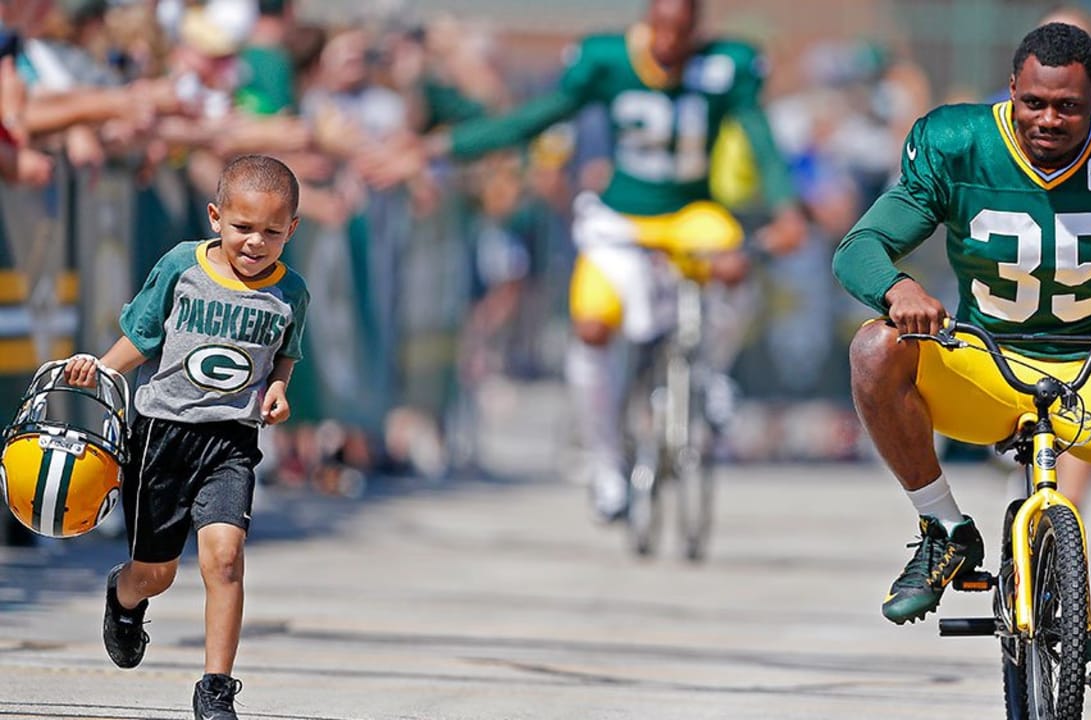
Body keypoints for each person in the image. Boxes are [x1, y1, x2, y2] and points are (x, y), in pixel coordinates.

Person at [833, 23, 1091, 708]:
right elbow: (860, 245)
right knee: (875, 346)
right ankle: (945, 529)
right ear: (1012, 90)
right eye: (1034, 103)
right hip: (982, 363)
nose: (1048, 119)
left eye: (1068, 107)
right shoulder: (957, 143)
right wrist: (899, 290)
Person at [364, 0, 806, 520]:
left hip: (691, 210)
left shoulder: (727, 64)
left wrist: (786, 209)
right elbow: (535, 117)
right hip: (619, 215)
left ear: (697, 29)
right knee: (593, 326)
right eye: (660, 30)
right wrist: (440, 147)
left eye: (681, 33)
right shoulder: (608, 58)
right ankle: (603, 462)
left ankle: (708, 373)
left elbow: (761, 138)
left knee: (734, 266)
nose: (667, 47)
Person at [64, 154, 309, 720]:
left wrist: (277, 388)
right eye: (243, 228)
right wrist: (101, 368)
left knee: (225, 559)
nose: (255, 243)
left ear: (292, 229)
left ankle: (216, 688)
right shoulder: (182, 266)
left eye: (272, 232)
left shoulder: (291, 291)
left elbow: (287, 353)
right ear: (216, 216)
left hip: (230, 441)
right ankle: (123, 597)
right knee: (157, 573)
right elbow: (144, 335)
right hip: (162, 435)